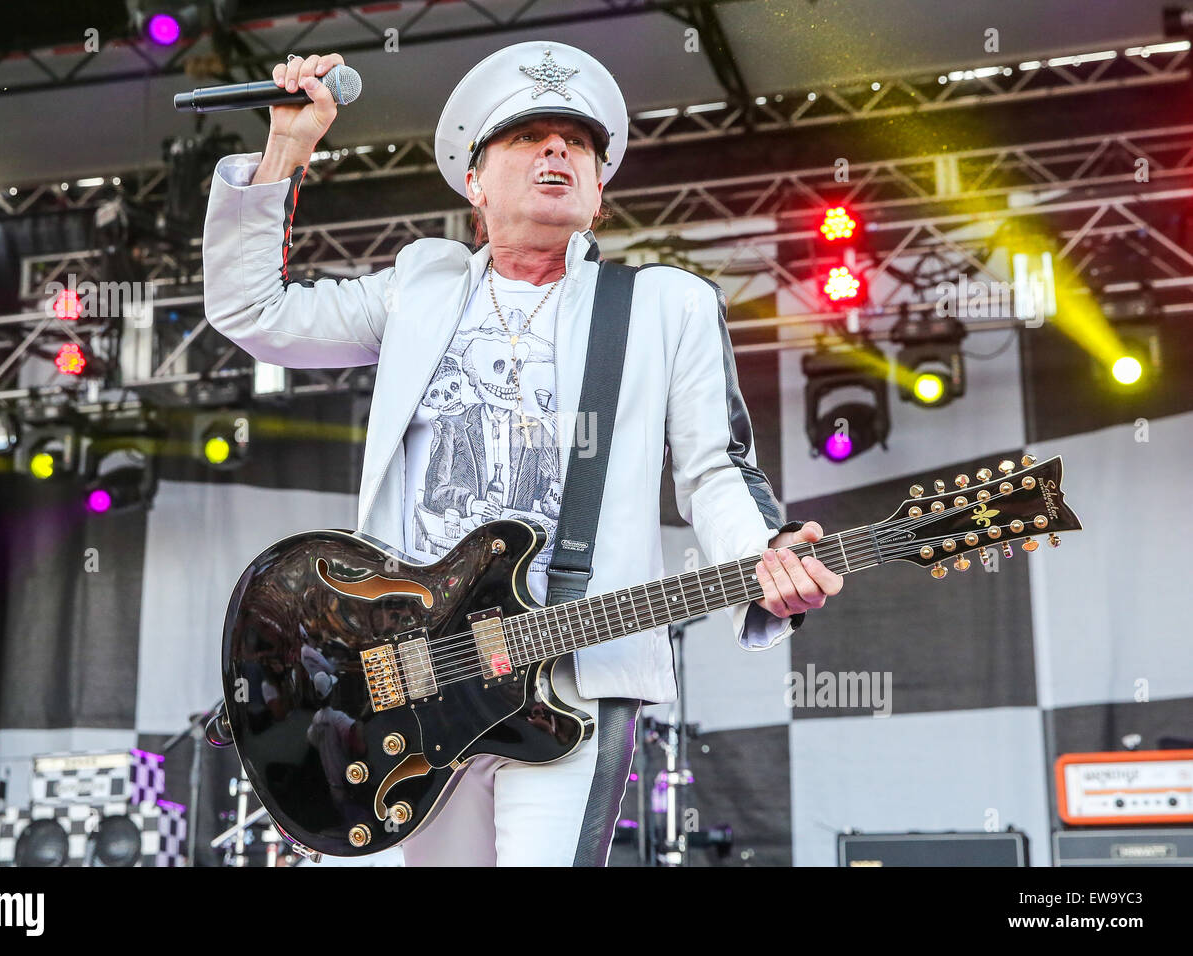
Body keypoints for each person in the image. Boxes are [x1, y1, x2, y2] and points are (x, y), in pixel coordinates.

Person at [201, 40, 843, 867]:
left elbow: (716, 468)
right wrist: (288, 146)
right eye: (528, 134)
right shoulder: (418, 288)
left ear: (599, 185)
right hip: (412, 682)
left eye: (577, 140)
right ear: (474, 179)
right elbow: (253, 311)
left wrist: (766, 558)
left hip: (574, 676)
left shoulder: (663, 305)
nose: (557, 149)